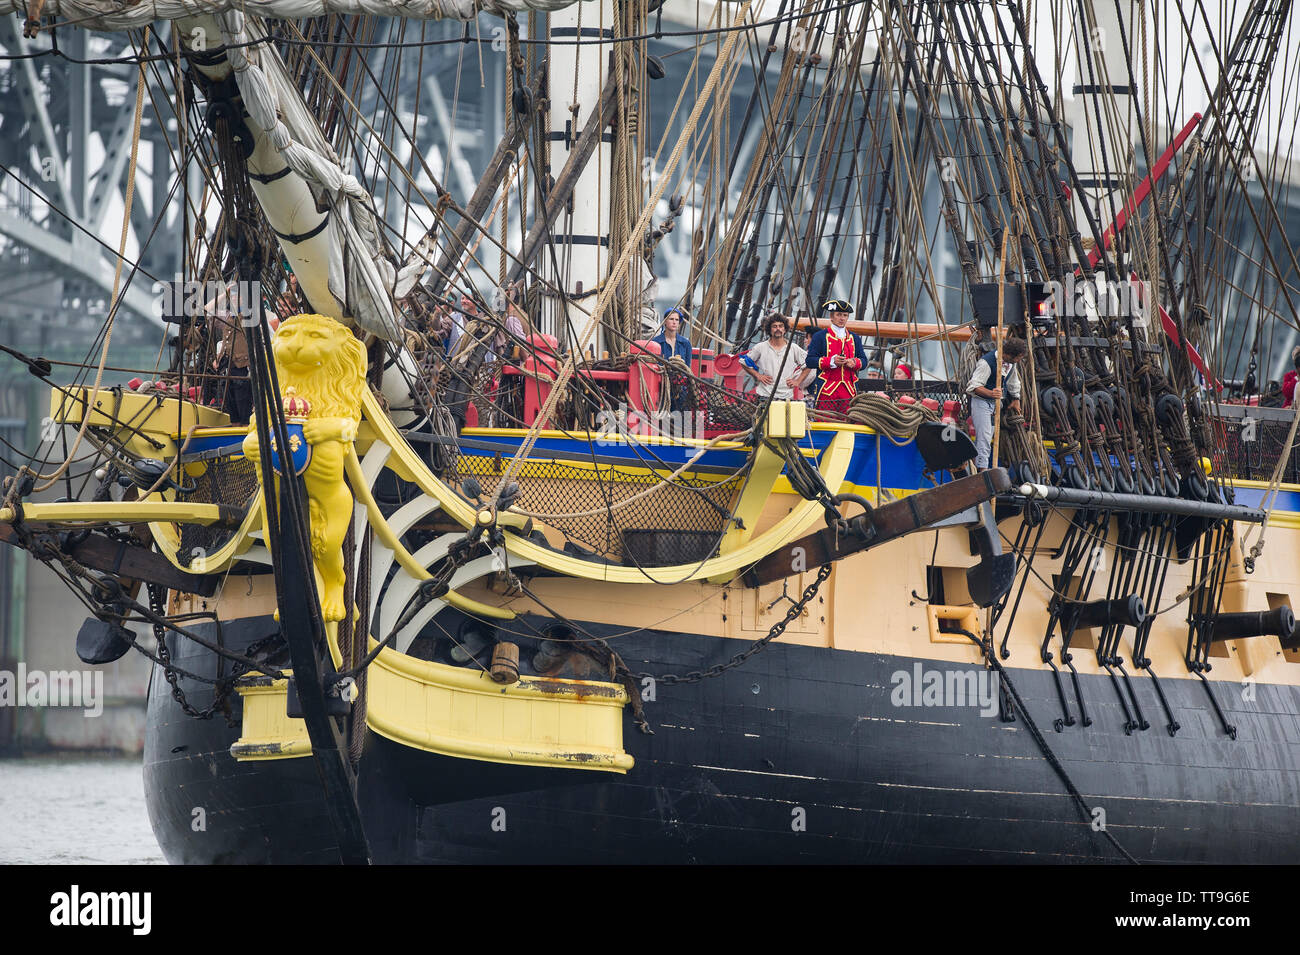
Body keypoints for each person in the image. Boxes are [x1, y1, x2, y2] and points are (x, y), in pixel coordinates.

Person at [966, 336, 1028, 469]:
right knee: (985, 438)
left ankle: (976, 465)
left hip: (995, 405)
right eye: (1017, 358)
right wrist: (991, 393)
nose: (1018, 361)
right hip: (981, 403)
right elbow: (974, 386)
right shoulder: (986, 363)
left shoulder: (1011, 363)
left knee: (989, 436)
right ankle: (982, 470)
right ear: (1008, 354)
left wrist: (1016, 399)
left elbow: (1013, 382)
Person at [804, 299, 866, 415]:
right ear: (831, 317)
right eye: (838, 315)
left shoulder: (854, 338)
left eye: (845, 315)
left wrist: (854, 362)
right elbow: (810, 360)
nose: (842, 318)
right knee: (824, 420)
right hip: (827, 389)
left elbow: (864, 360)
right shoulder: (820, 336)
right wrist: (831, 361)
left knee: (847, 420)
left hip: (849, 390)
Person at [742, 314, 810, 400]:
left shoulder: (793, 348)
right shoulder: (760, 347)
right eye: (774, 326)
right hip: (765, 395)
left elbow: (808, 364)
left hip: (786, 396)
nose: (778, 329)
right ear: (769, 330)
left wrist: (797, 381)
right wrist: (758, 375)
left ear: (785, 329)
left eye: (781, 326)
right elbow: (744, 362)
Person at [652, 306, 694, 412]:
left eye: (677, 320)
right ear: (665, 322)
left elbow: (687, 367)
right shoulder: (655, 343)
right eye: (671, 319)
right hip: (661, 387)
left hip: (680, 388)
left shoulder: (685, 343)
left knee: (682, 416)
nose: (674, 322)